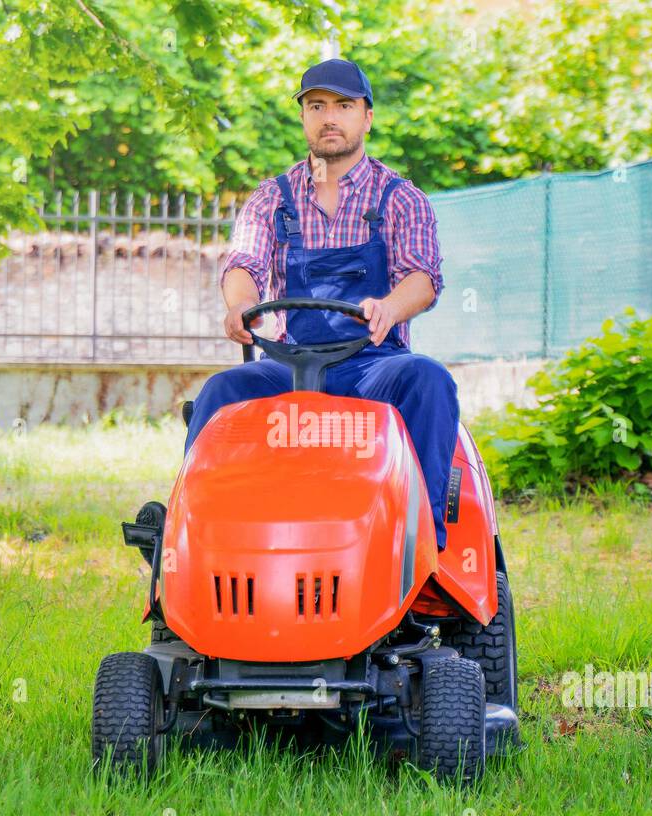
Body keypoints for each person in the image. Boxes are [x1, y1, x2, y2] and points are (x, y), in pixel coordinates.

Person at [185, 57, 459, 550]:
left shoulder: (401, 198)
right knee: (219, 393)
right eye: (317, 106)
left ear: (366, 117)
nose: (329, 116)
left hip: (374, 366)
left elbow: (422, 278)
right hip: (290, 365)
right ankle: (196, 546)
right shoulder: (272, 198)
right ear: (304, 117)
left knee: (429, 380)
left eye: (343, 106)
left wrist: (390, 308)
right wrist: (242, 306)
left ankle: (423, 545)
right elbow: (243, 264)